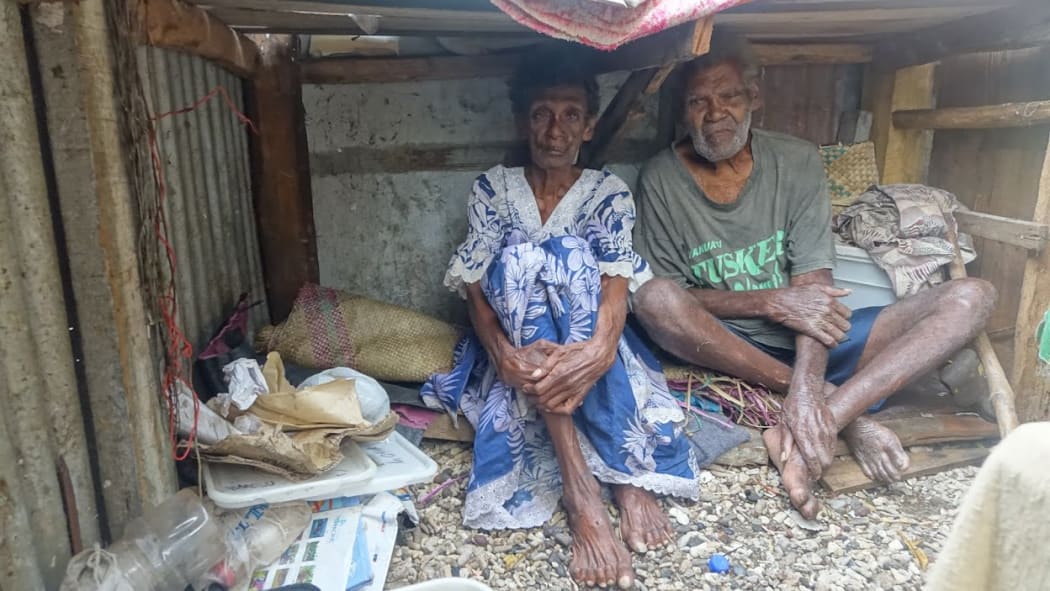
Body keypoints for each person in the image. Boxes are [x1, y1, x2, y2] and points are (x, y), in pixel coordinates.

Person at [630, 34, 997, 520]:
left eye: (730, 97)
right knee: (654, 299)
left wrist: (808, 387)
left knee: (973, 296)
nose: (715, 113)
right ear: (681, 110)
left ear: (753, 99)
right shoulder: (660, 177)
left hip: (813, 342)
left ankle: (820, 418)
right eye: (698, 101)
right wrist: (769, 302)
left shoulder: (798, 161)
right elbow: (675, 295)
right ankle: (848, 413)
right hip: (724, 345)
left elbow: (815, 290)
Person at [422, 55, 700, 589]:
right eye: (542, 114)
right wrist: (501, 351)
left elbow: (615, 295)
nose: (555, 130)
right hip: (516, 352)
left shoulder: (607, 193)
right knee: (521, 263)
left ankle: (603, 479)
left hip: (592, 355)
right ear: (522, 122)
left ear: (590, 126)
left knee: (569, 256)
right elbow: (476, 284)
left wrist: (597, 352)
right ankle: (585, 492)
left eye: (571, 115)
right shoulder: (493, 189)